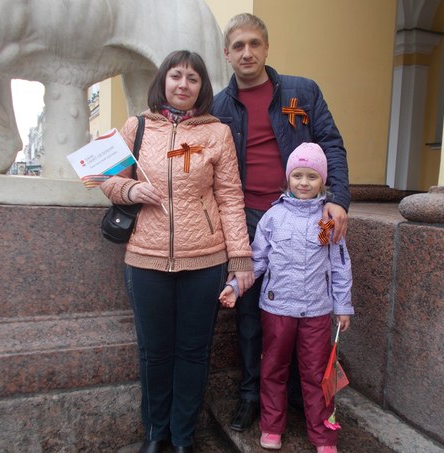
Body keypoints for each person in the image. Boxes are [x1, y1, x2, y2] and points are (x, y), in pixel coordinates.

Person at [101, 50, 254, 453]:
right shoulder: (136, 126)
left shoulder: (217, 133)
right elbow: (106, 177)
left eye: (192, 78)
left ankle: (183, 437)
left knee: (193, 352)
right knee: (154, 352)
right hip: (146, 259)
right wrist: (131, 188)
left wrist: (241, 260)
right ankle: (155, 434)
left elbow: (230, 198)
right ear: (163, 81)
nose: (183, 84)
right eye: (176, 76)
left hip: (205, 261)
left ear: (202, 87)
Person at [211, 13, 351, 432]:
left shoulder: (302, 92)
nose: (247, 53)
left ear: (267, 47)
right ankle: (251, 393)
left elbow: (331, 144)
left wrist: (338, 199)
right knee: (250, 310)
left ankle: (297, 393)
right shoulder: (218, 107)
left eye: (254, 43)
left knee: (305, 310)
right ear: (226, 53)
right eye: (238, 46)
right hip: (245, 220)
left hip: (303, 216)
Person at [219, 143, 354, 453]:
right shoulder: (273, 217)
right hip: (277, 308)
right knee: (273, 369)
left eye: (312, 177)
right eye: (297, 176)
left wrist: (342, 305)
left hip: (316, 311)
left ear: (322, 181)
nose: (304, 183)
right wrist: (235, 287)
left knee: (317, 374)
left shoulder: (326, 220)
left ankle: (323, 436)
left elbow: (339, 265)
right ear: (288, 178)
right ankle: (271, 426)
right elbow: (257, 260)